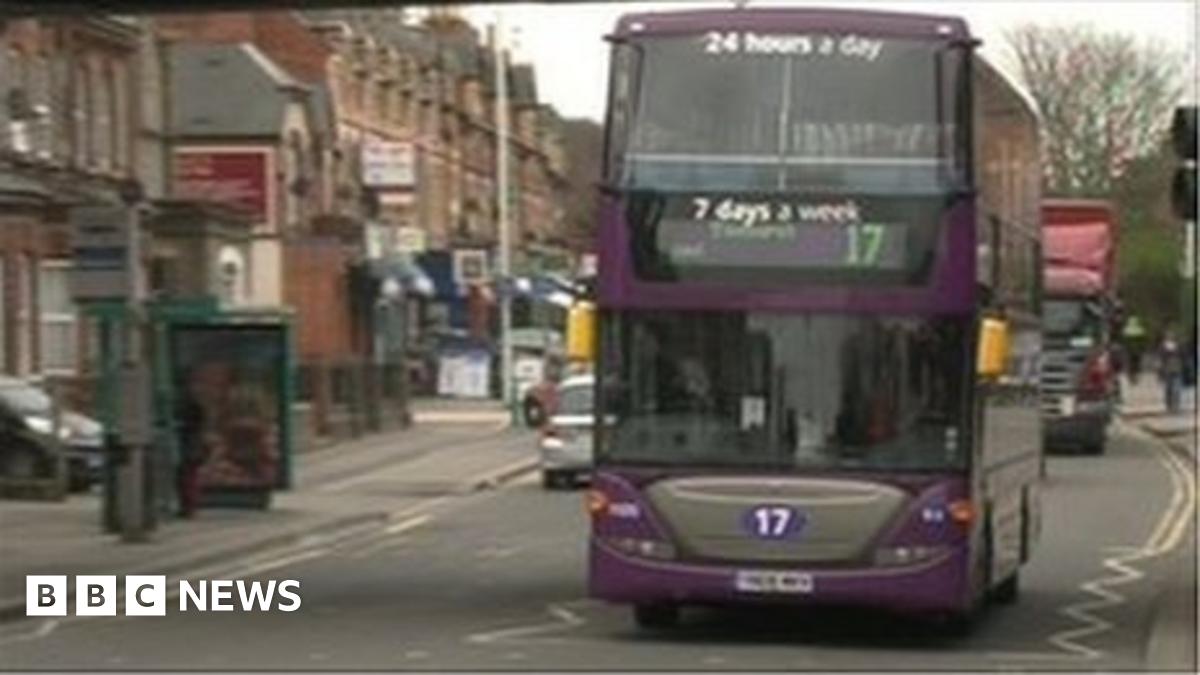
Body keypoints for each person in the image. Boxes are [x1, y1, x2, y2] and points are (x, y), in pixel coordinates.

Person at [1156, 330, 1185, 414]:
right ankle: (1169, 406)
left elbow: (1183, 356)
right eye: (1169, 335)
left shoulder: (1178, 346)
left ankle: (1176, 406)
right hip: (1167, 370)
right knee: (1168, 389)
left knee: (1177, 389)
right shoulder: (1162, 346)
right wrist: (1159, 369)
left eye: (1172, 335)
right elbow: (1160, 359)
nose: (1170, 336)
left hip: (1177, 369)